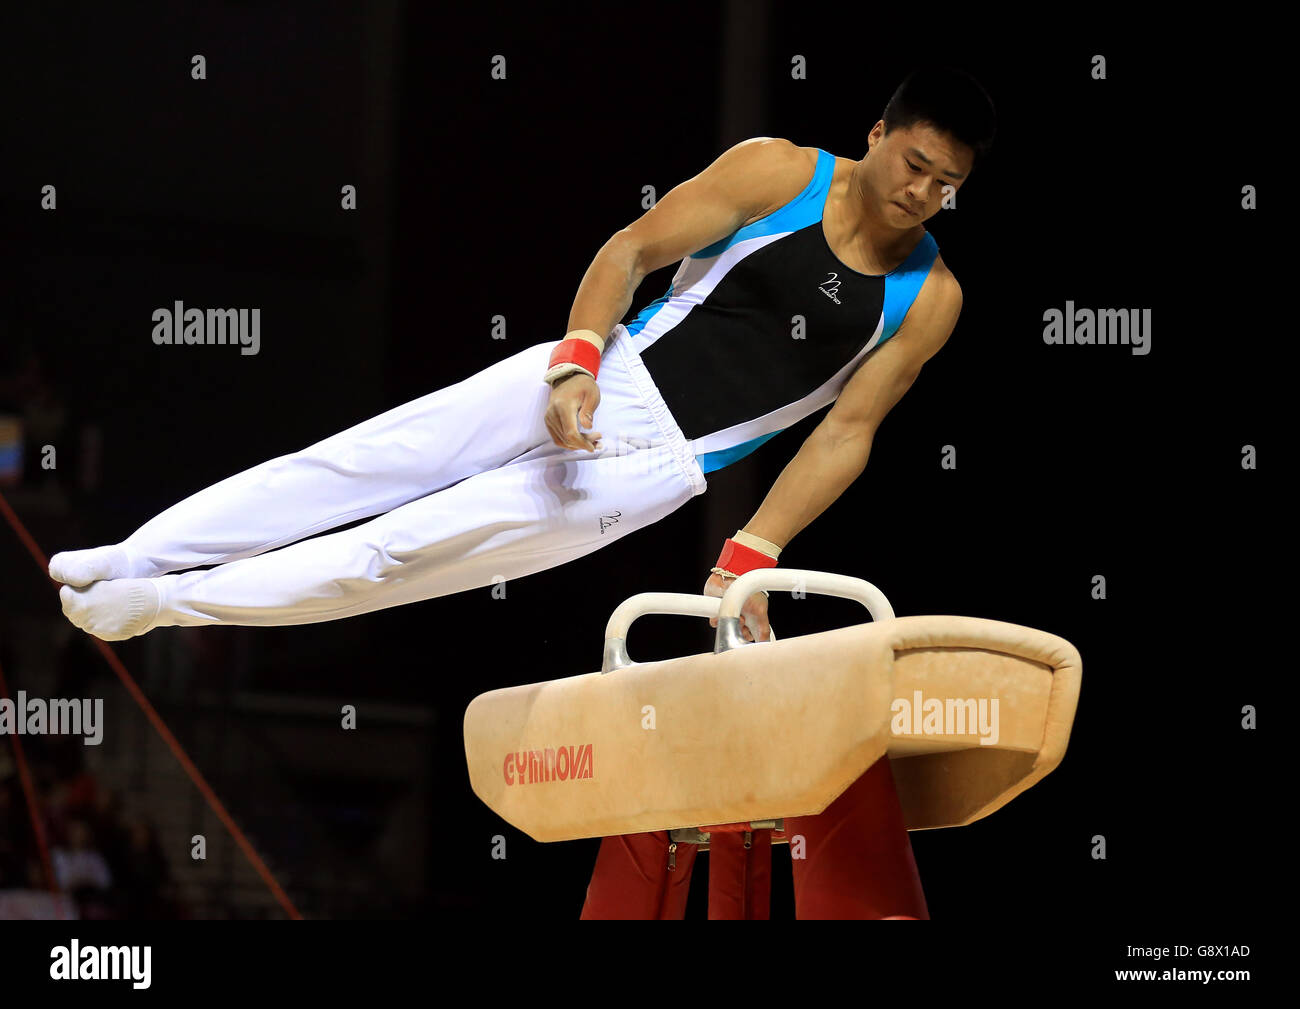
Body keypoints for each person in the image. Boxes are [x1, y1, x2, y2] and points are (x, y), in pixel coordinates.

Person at [51, 65, 995, 918]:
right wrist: (577, 361)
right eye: (915, 164)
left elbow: (846, 432)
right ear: (877, 134)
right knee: (354, 463)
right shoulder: (779, 175)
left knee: (397, 554)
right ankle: (135, 554)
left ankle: (162, 606)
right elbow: (630, 250)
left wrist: (751, 551)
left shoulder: (931, 298)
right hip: (604, 369)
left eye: (946, 186)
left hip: (655, 468)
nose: (922, 194)